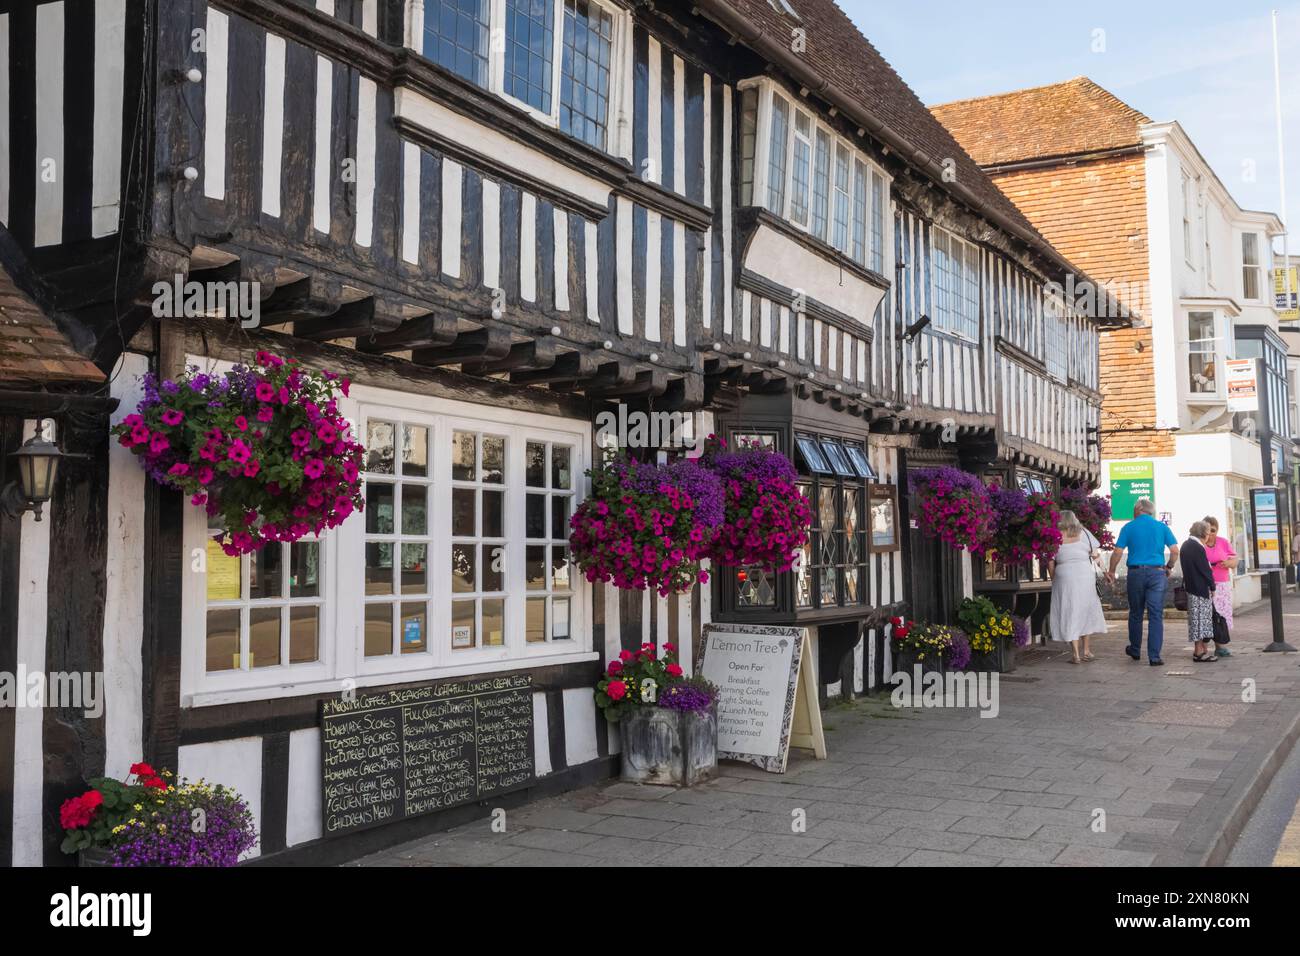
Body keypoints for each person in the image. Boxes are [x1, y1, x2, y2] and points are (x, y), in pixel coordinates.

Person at [1106, 498, 1179, 666]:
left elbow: (1117, 552)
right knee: (1155, 615)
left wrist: (1111, 570)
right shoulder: (1162, 527)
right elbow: (1175, 551)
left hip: (1136, 573)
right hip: (1157, 574)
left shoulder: (1129, 527)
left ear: (1139, 509)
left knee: (1136, 613)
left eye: (1134, 508)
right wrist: (1168, 567)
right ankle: (1154, 657)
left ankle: (1135, 649)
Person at [1048, 510, 1108, 664]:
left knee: (1070, 610)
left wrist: (1054, 577)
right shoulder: (1085, 533)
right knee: (1085, 610)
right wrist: (1105, 571)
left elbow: (1049, 561)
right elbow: (1096, 556)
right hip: (1084, 575)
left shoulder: (1054, 536)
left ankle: (1076, 654)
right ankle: (1087, 651)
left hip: (1064, 574)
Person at [1179, 521, 1218, 663]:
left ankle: (1200, 649)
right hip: (1200, 589)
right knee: (1201, 621)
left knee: (1196, 621)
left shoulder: (1185, 545)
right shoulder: (1197, 547)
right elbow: (1205, 570)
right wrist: (1212, 586)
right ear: (1203, 534)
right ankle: (1199, 651)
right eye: (1208, 533)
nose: (1209, 536)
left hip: (1191, 588)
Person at [1202, 516, 1236, 657]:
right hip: (1205, 585)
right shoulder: (1199, 544)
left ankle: (1219, 646)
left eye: (1213, 530)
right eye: (1208, 530)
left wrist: (1228, 563)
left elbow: (1234, 560)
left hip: (1222, 584)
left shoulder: (1223, 542)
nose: (1211, 533)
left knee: (1220, 615)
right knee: (1205, 614)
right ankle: (1202, 647)